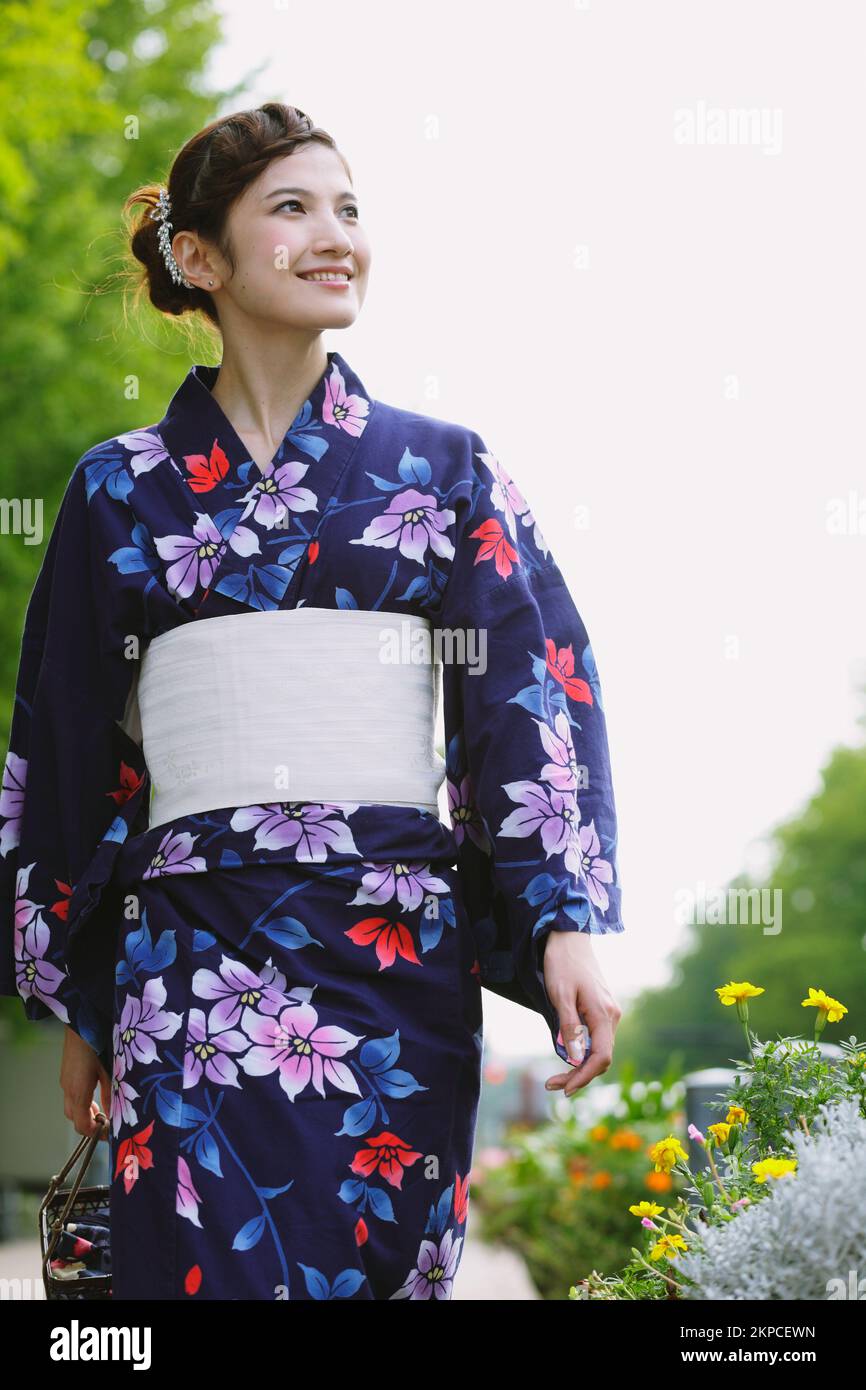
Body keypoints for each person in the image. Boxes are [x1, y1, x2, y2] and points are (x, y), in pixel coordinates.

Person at [0, 102, 625, 1300]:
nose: (334, 233)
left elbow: (524, 697)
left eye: (347, 208)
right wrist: (85, 989)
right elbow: (70, 753)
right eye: (290, 208)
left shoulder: (444, 470)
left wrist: (560, 919)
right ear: (199, 258)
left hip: (392, 946)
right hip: (187, 964)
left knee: (378, 1271)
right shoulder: (117, 490)